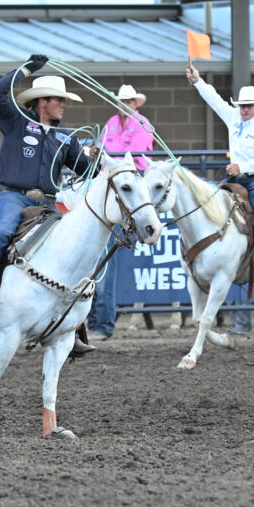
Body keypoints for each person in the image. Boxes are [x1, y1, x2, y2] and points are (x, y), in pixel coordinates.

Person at [0, 55, 99, 361]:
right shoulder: (17, 122)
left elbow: (86, 170)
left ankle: (74, 329)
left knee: (72, 244)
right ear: (42, 102)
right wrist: (27, 69)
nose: (63, 105)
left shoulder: (66, 138)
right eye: (58, 100)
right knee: (2, 231)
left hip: (46, 202)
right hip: (13, 196)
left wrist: (95, 158)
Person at [186, 62, 254, 279]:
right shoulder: (234, 117)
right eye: (242, 106)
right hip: (237, 179)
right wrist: (197, 81)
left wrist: (242, 167)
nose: (245, 109)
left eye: (249, 106)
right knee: (211, 205)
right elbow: (215, 101)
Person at [87, 84, 156, 340]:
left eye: (128, 100)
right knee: (99, 260)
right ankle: (97, 321)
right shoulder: (111, 123)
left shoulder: (142, 124)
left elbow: (132, 158)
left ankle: (102, 323)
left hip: (129, 188)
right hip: (113, 186)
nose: (124, 104)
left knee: (105, 260)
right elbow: (104, 153)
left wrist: (106, 158)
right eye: (121, 100)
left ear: (136, 103)